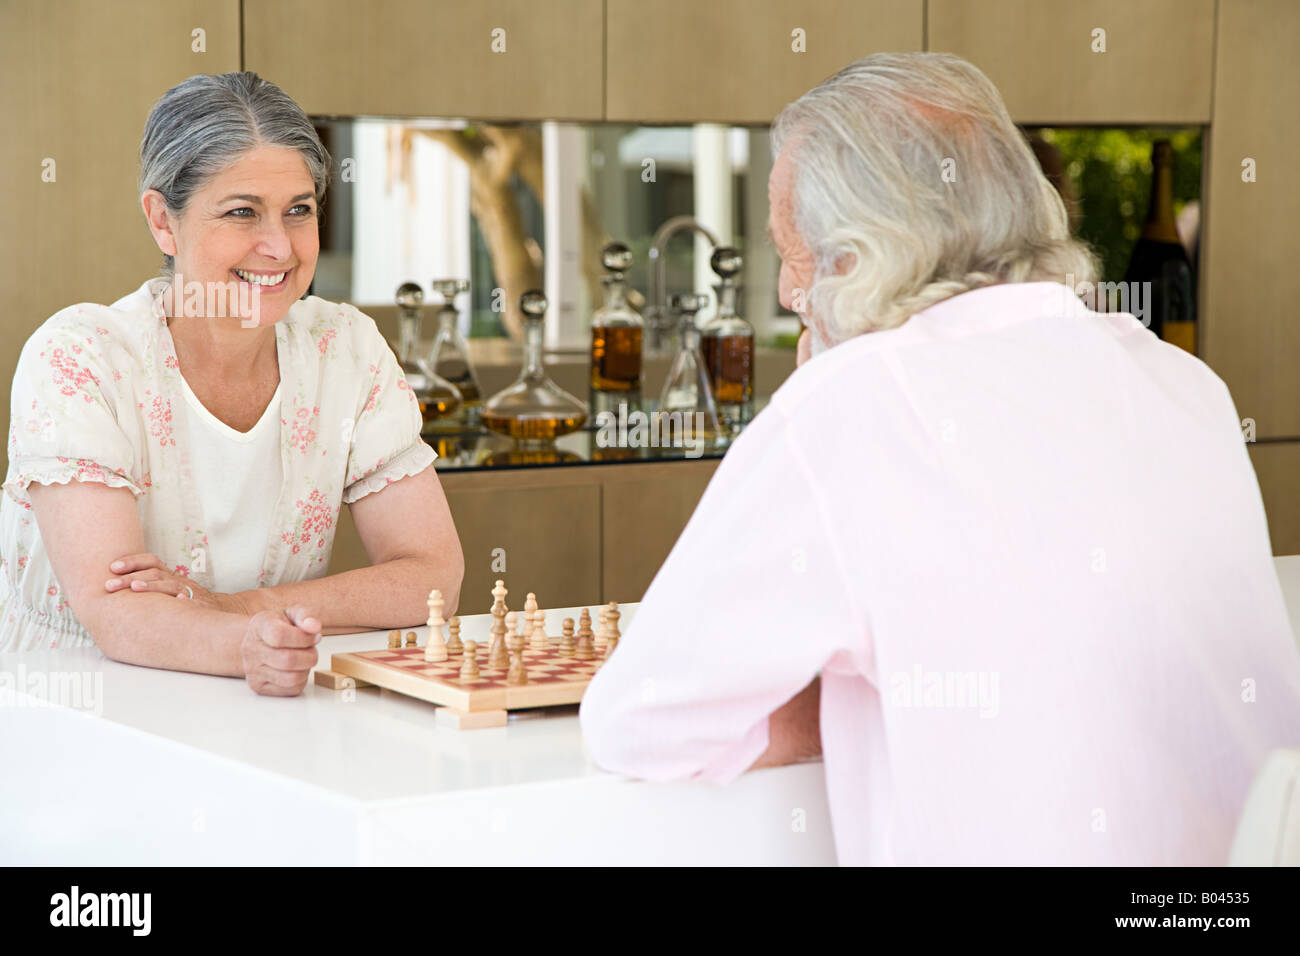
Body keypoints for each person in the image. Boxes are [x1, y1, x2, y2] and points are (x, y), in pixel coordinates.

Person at [579, 52, 1300, 865]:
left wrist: (876, 685)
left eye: (797, 252)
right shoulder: (1184, 382)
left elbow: (638, 720)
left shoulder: (852, 403)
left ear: (865, 246)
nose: (787, 292)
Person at [0, 73, 464, 695]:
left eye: (298, 210)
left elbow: (431, 576)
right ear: (164, 221)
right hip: (77, 712)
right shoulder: (80, 358)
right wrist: (252, 641)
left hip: (262, 700)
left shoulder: (345, 347)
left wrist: (235, 610)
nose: (278, 246)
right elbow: (117, 614)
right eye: (242, 212)